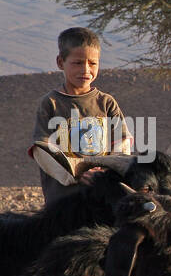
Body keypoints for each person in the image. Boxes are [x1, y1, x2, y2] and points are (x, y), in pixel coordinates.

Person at [30, 27, 133, 204]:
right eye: (77, 63)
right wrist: (76, 173)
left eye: (92, 63)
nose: (86, 70)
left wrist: (108, 172)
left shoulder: (106, 103)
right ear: (60, 62)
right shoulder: (51, 104)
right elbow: (43, 151)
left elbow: (122, 146)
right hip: (64, 200)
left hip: (103, 198)